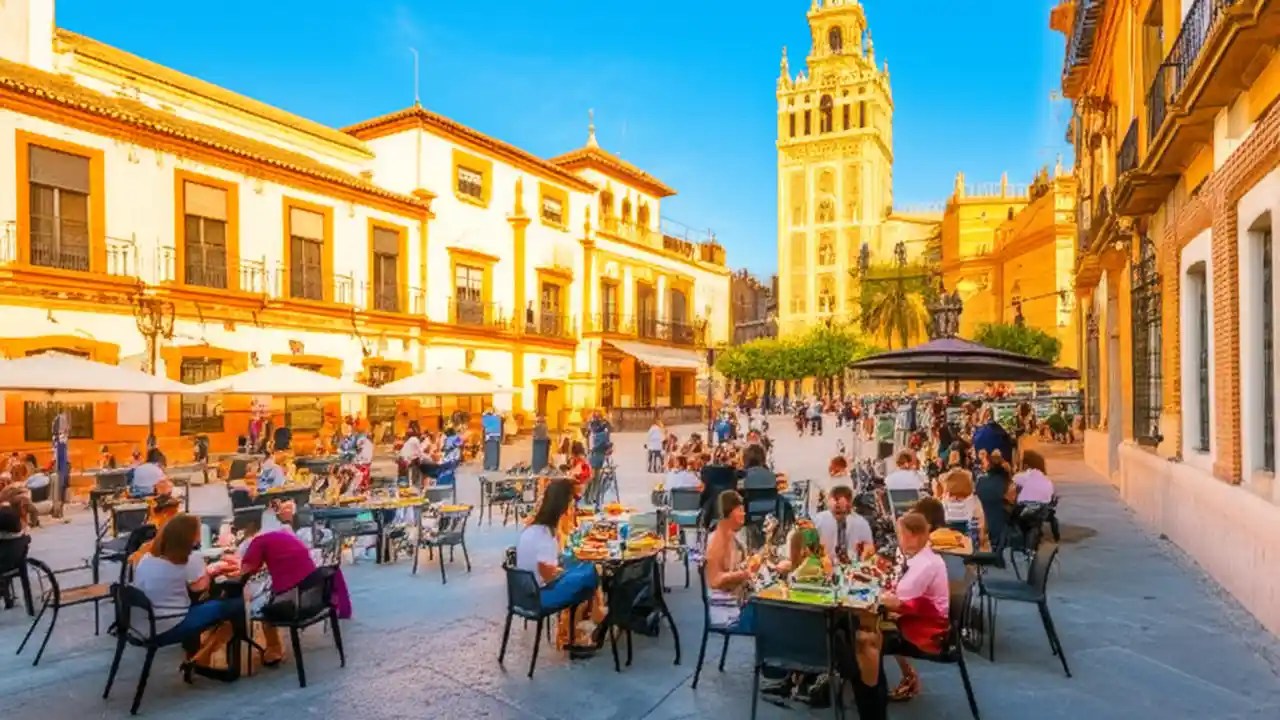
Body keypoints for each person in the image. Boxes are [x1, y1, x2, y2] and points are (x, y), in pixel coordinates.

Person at [130, 514, 244, 673]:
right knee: (236, 605)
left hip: (139, 626)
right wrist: (212, 570)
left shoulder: (147, 558)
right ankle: (205, 659)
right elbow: (200, 587)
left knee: (206, 606)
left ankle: (198, 655)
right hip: (166, 627)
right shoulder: (189, 559)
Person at [240, 513, 351, 665]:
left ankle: (274, 651)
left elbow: (247, 570)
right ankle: (275, 649)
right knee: (272, 595)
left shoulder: (258, 541)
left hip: (297, 605)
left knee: (262, 610)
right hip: (316, 598)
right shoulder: (286, 536)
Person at [873, 512, 951, 703]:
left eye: (901, 534)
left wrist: (877, 591)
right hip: (922, 617)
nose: (898, 539)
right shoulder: (921, 557)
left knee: (869, 632)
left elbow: (898, 599)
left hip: (929, 629)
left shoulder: (926, 564)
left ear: (913, 536)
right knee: (878, 622)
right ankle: (906, 676)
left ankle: (872, 694)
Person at [516, 478, 601, 646]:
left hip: (525, 592)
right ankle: (590, 622)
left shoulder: (532, 529)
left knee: (582, 570)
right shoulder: (546, 535)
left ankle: (581, 625)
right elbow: (548, 575)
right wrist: (563, 572)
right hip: (540, 597)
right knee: (590, 573)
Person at [705, 491, 758, 631]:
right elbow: (715, 580)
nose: (744, 514)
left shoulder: (732, 537)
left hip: (735, 604)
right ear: (728, 512)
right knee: (771, 618)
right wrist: (744, 574)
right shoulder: (717, 540)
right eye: (740, 510)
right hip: (725, 612)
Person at [813, 485, 874, 563]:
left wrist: (866, 552)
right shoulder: (818, 521)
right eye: (835, 508)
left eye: (842, 510)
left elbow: (869, 547)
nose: (838, 511)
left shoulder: (861, 523)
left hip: (853, 566)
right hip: (824, 565)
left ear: (850, 504)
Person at [940, 469, 987, 549]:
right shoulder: (974, 501)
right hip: (969, 543)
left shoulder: (944, 501)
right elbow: (981, 526)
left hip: (948, 543)